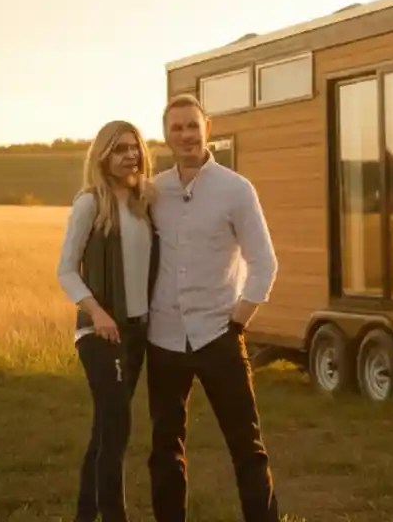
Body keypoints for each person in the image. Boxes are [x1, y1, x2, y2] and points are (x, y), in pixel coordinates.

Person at [146, 93, 280, 522]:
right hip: (164, 339)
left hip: (218, 335)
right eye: (176, 127)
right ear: (166, 134)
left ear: (209, 128)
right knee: (165, 448)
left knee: (247, 446)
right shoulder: (154, 192)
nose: (185, 134)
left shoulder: (236, 190)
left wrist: (239, 321)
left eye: (192, 125)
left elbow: (264, 261)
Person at [55, 120, 159, 522]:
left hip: (136, 331)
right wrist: (98, 313)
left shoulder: (142, 202)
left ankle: (84, 516)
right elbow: (65, 270)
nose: (129, 155)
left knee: (104, 432)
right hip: (99, 333)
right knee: (117, 431)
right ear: (102, 156)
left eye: (134, 147)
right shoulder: (89, 204)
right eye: (119, 149)